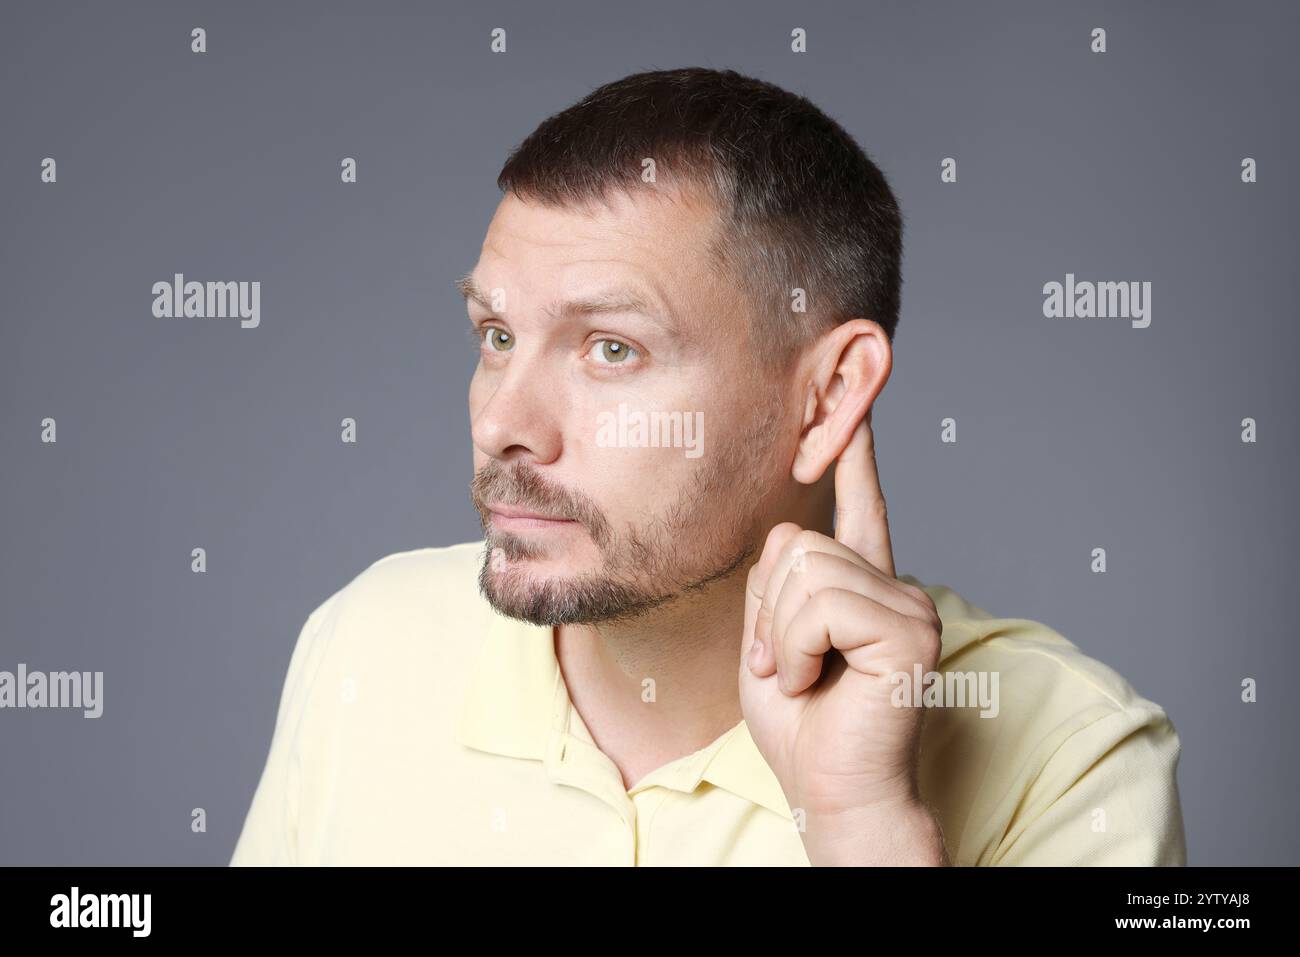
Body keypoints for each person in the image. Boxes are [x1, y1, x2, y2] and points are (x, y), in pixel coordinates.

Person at [230, 67, 1186, 866]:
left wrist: (862, 822)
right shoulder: (366, 644)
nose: (503, 426)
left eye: (611, 348)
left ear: (824, 399)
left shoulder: (1072, 752)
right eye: (496, 334)